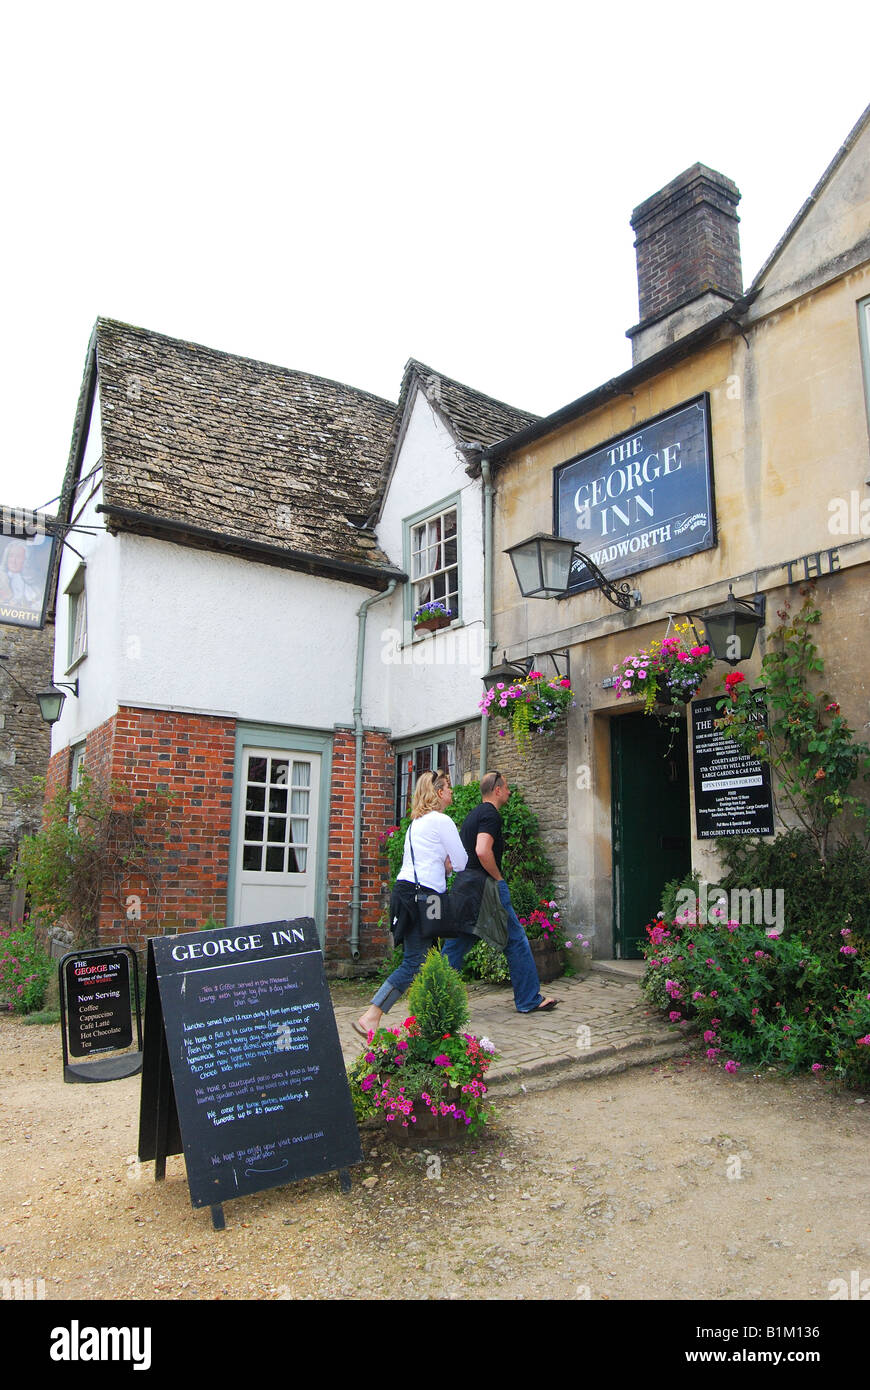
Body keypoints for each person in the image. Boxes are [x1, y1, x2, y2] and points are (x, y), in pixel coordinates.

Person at [354, 769, 468, 1038]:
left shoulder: (416, 823)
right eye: (449, 787)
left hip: (408, 894)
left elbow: (431, 862)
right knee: (416, 961)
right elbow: (461, 862)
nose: (452, 792)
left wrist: (444, 864)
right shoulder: (441, 821)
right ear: (439, 792)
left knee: (428, 959)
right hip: (425, 898)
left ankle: (425, 1020)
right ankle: (372, 1015)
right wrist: (448, 864)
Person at [443, 770, 558, 1013]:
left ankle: (434, 1001)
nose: (509, 791)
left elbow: (459, 857)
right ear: (496, 790)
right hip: (484, 887)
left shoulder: (474, 814)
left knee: (457, 944)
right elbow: (483, 850)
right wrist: (499, 878)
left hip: (464, 887)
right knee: (515, 940)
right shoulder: (490, 814)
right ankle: (529, 999)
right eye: (506, 787)